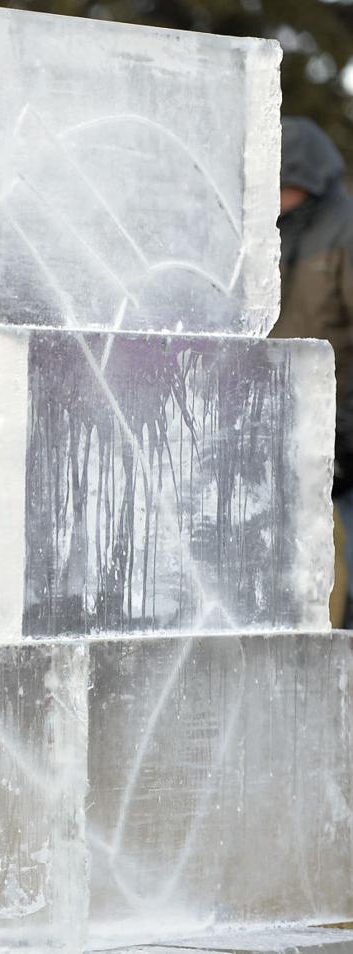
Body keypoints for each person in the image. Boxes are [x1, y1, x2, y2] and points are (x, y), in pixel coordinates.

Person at [276, 117, 353, 625]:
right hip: (286, 427)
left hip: (342, 426)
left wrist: (346, 424)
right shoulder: (271, 229)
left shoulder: (344, 230)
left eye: (284, 183)